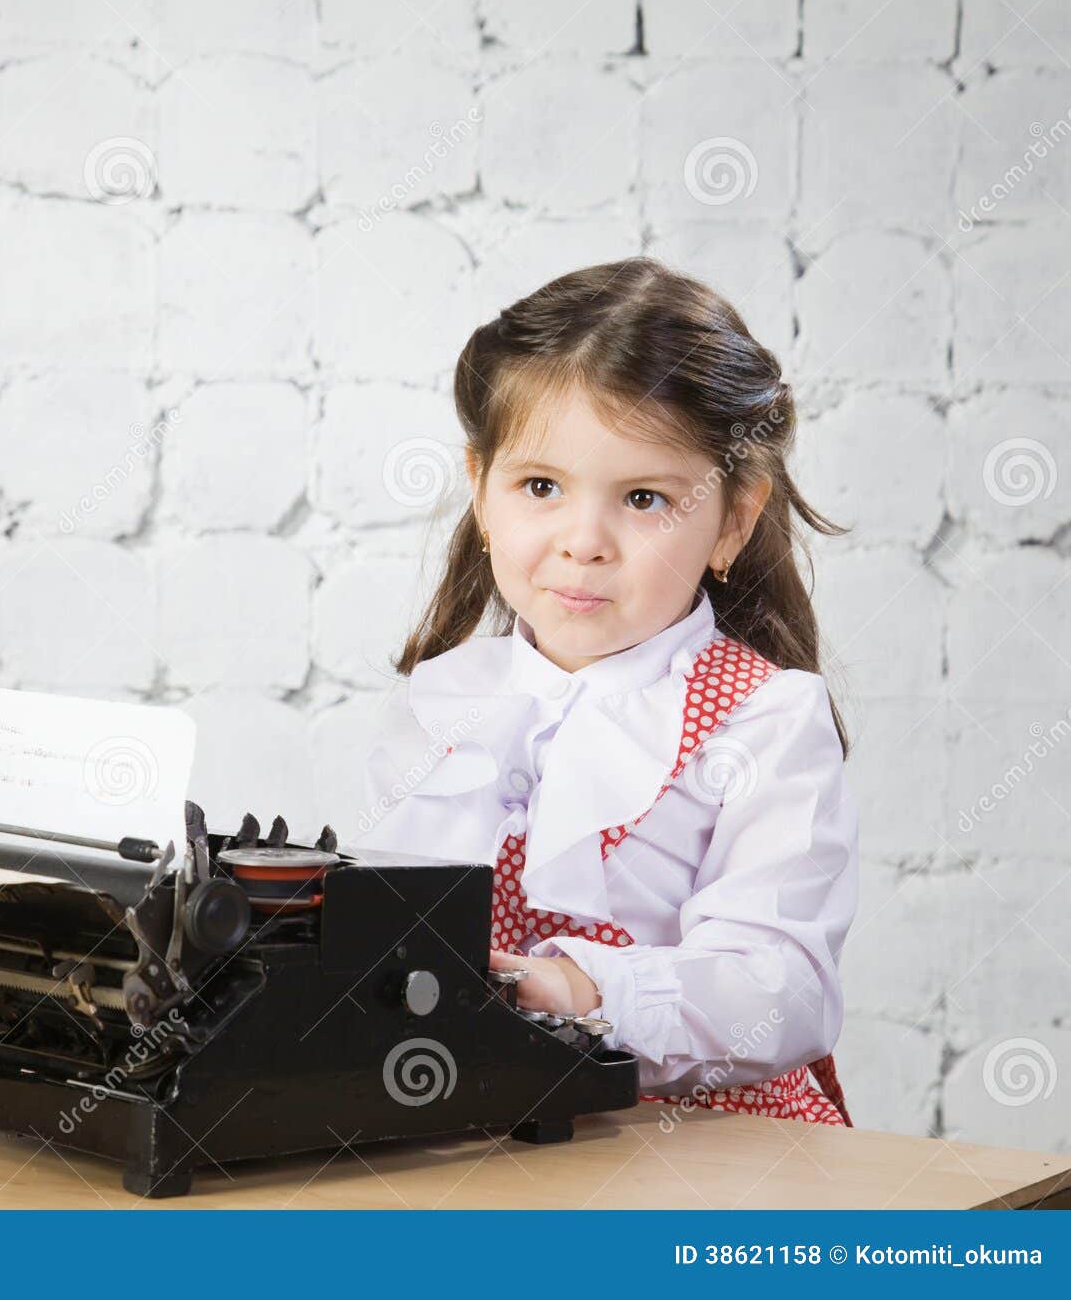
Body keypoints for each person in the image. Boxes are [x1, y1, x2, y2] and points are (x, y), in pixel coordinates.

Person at [356, 257, 857, 1125]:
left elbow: (782, 986)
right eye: (541, 486)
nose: (584, 541)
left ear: (732, 518)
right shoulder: (442, 703)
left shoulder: (764, 718)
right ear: (481, 489)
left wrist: (583, 987)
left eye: (644, 497)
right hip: (492, 1129)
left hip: (697, 1142)